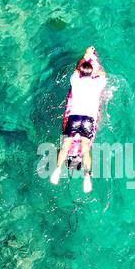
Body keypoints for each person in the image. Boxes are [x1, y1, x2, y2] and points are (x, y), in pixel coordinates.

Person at [50, 46, 107, 192]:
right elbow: (103, 74)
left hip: (74, 117)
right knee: (86, 148)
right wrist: (93, 58)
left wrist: (86, 55)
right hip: (88, 119)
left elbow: (77, 69)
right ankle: (87, 175)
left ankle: (57, 169)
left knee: (65, 146)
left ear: (81, 72)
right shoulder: (97, 83)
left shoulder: (75, 80)